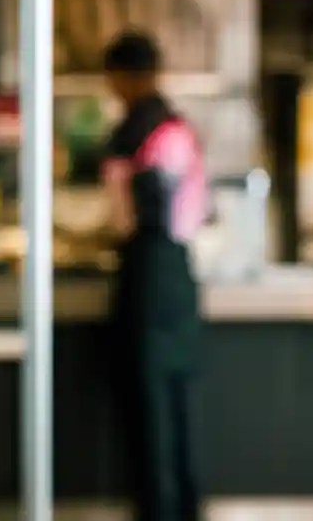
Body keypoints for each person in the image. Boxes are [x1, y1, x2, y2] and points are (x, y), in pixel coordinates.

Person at [100, 30, 207, 521]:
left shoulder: (141, 132)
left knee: (153, 413)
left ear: (123, 77)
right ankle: (182, 508)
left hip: (150, 275)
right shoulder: (175, 128)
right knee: (176, 405)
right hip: (177, 275)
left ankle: (161, 511)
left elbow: (144, 214)